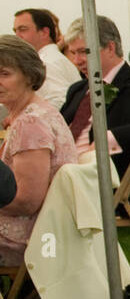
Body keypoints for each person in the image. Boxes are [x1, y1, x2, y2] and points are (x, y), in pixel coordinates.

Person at [60, 17, 130, 205]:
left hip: (102, 172)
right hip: (63, 166)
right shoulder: (77, 89)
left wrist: (108, 138)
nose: (76, 61)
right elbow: (58, 126)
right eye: (73, 53)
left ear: (110, 48)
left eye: (84, 52)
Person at [0, 35, 78, 266]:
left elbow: (26, 202)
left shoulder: (31, 123)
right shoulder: (34, 112)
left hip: (28, 237)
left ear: (29, 76)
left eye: (4, 74)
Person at [13, 8, 82, 109]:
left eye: (23, 29)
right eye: (15, 31)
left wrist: (27, 116)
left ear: (45, 32)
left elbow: (59, 101)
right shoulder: (51, 59)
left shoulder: (47, 63)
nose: (17, 36)